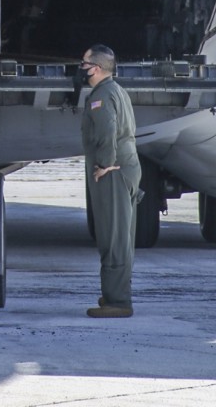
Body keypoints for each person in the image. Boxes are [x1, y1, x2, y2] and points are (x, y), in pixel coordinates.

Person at [79, 43, 141, 318]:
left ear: (97, 68)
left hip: (113, 171)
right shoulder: (116, 90)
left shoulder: (101, 96)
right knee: (121, 235)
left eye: (85, 64)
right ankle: (115, 294)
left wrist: (104, 164)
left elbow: (107, 128)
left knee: (112, 236)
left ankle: (118, 301)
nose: (82, 69)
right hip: (125, 167)